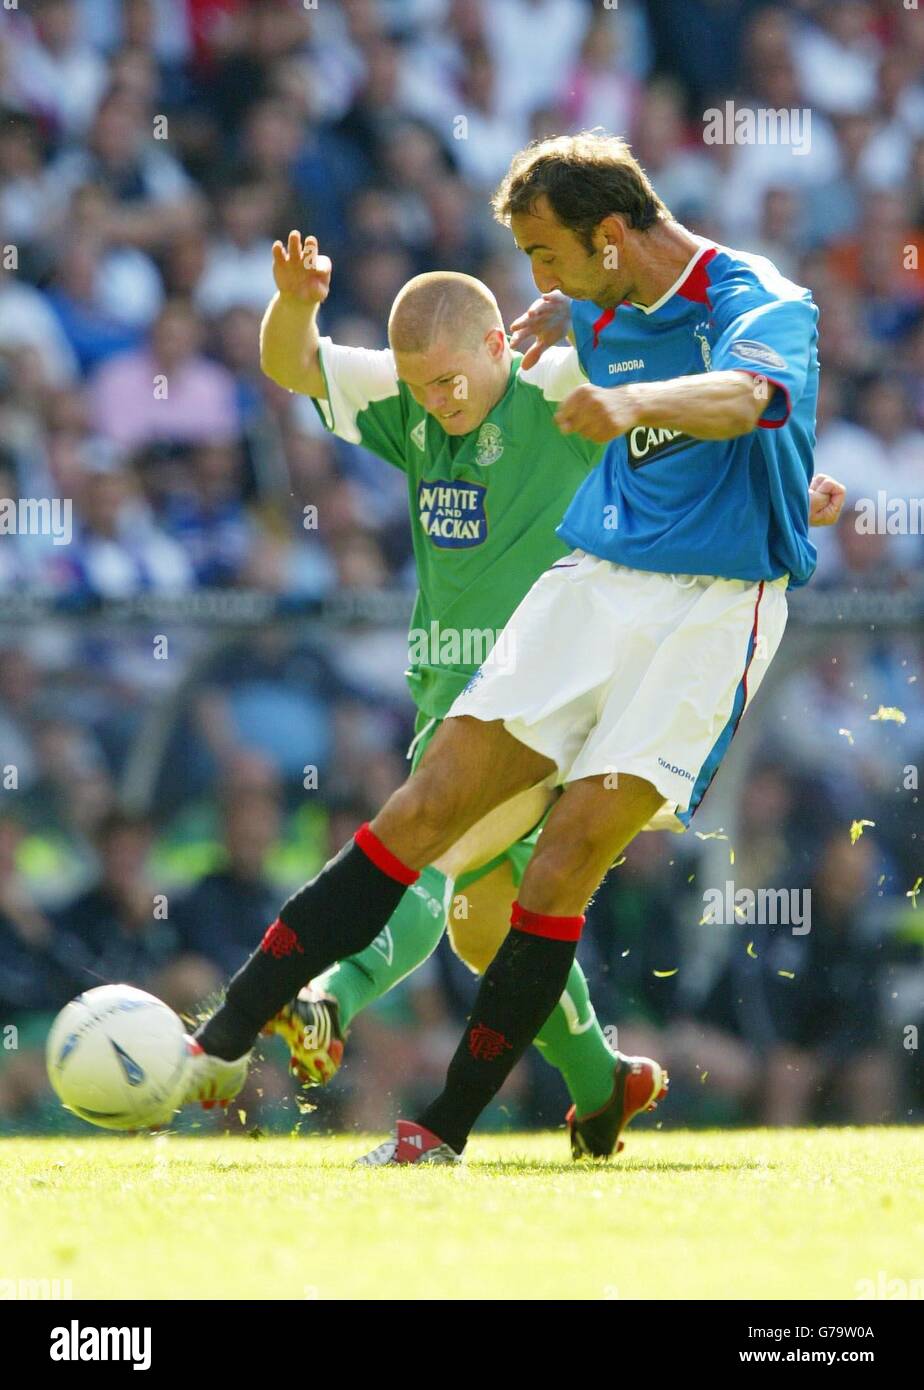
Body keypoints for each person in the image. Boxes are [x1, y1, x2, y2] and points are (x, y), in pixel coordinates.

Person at [185, 133, 843, 1166]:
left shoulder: (758, 298)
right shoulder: (585, 308)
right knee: (431, 819)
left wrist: (638, 408)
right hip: (598, 579)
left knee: (558, 866)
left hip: (717, 607)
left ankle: (437, 1130)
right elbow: (305, 361)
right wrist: (564, 311)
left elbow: (754, 397)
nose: (536, 278)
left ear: (612, 235)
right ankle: (213, 1044)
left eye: (546, 253)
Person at [256, 229, 664, 1156]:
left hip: (544, 702)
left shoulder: (555, 387)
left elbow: (674, 354)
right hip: (450, 700)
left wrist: (596, 312)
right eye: (420, 385)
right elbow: (293, 365)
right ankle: (605, 1085)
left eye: (450, 383)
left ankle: (331, 999)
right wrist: (298, 303)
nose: (436, 404)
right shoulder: (412, 399)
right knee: (488, 933)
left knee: (425, 853)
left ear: (497, 348)